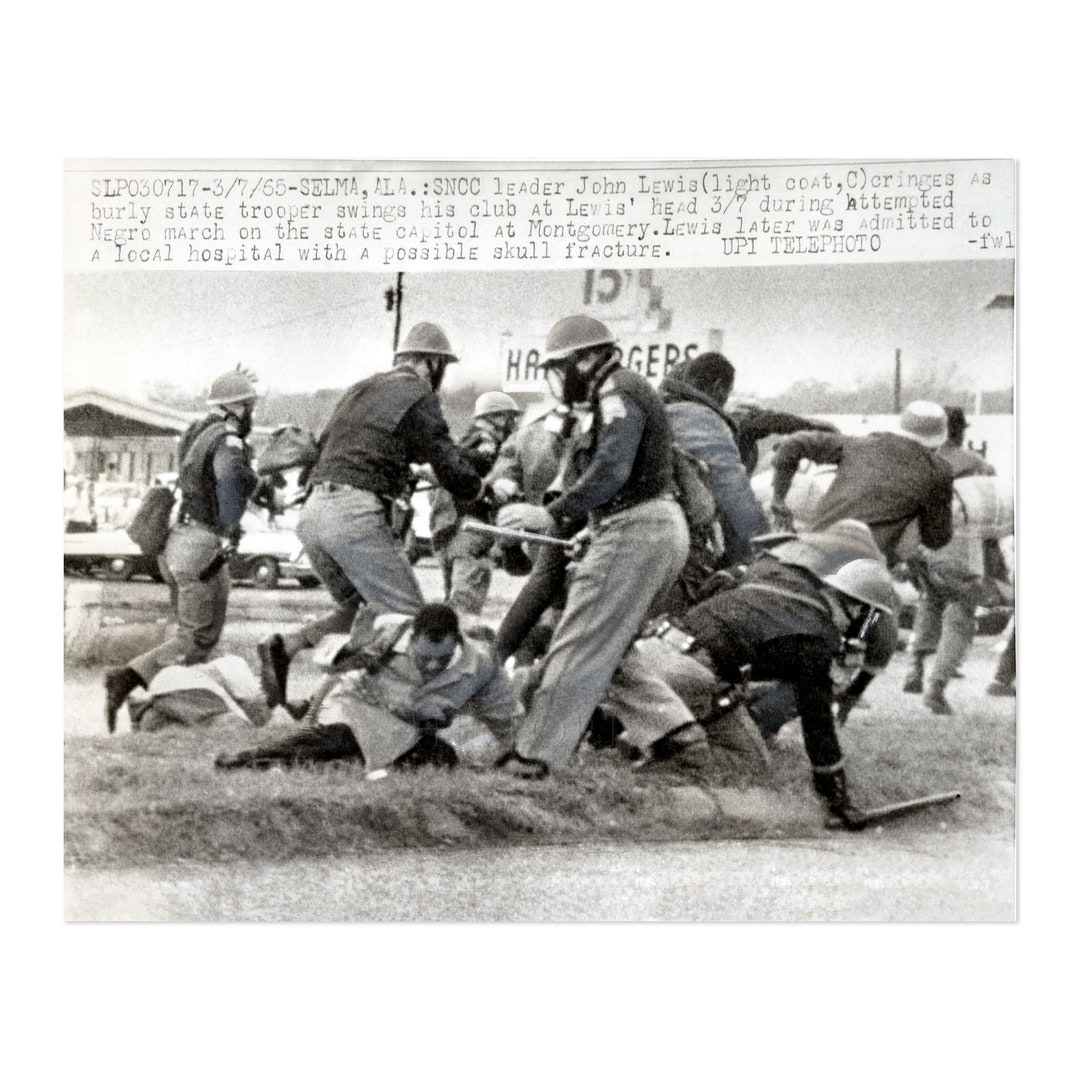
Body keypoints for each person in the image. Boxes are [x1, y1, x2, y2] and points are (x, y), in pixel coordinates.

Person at [493, 315, 700, 778]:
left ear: (585, 359)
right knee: (611, 645)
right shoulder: (616, 391)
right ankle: (676, 737)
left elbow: (611, 471)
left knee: (579, 640)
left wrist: (553, 514)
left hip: (637, 528)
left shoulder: (617, 390)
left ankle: (534, 757)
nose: (556, 378)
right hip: (646, 525)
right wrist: (591, 525)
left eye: (559, 366)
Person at [256, 323, 485, 710]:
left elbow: (333, 445)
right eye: (442, 367)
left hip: (314, 513)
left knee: (362, 613)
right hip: (354, 515)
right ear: (431, 364)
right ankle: (392, 715)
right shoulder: (418, 394)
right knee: (410, 621)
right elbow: (446, 459)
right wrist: (477, 491)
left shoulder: (360, 388)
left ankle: (294, 659)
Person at [644, 520, 900, 827]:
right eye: (858, 612)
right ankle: (657, 762)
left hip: (653, 652)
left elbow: (714, 597)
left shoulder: (770, 571)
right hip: (691, 674)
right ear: (846, 602)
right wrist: (837, 798)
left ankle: (637, 727)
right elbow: (818, 724)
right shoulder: (816, 638)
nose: (855, 624)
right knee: (751, 761)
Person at [104, 368, 260, 733]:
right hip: (199, 544)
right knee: (196, 639)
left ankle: (165, 713)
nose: (252, 412)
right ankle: (127, 680)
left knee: (194, 641)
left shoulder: (198, 434)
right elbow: (231, 479)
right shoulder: (227, 437)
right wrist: (232, 520)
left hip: (179, 543)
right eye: (249, 405)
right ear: (236, 406)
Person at [217, 604, 522, 772]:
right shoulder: (389, 630)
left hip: (411, 731)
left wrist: (512, 753)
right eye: (423, 658)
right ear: (411, 639)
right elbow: (331, 668)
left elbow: (504, 715)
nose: (430, 667)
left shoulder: (481, 663)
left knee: (445, 762)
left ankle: (349, 764)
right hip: (358, 708)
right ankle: (248, 760)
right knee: (336, 740)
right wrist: (354, 649)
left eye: (441, 660)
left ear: (457, 642)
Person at [902, 405, 1003, 714]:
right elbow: (990, 515)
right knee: (961, 617)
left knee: (930, 601)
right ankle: (936, 686)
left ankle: (915, 666)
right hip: (959, 545)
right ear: (960, 431)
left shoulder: (918, 461)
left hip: (921, 542)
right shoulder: (977, 464)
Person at [769, 400, 955, 565]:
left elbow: (794, 443)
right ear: (938, 441)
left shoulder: (860, 444)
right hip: (861, 567)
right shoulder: (939, 470)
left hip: (812, 547)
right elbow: (936, 539)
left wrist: (778, 498)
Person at [659, 352, 769, 603]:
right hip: (676, 548)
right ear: (719, 387)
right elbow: (736, 496)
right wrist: (767, 547)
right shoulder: (702, 419)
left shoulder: (655, 408)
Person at [430, 391, 522, 614]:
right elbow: (486, 462)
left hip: (445, 529)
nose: (513, 424)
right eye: (510, 417)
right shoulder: (486, 441)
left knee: (451, 601)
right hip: (470, 529)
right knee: (465, 605)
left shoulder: (461, 444)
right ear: (498, 418)